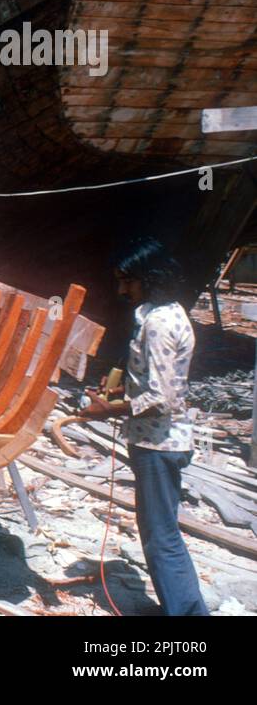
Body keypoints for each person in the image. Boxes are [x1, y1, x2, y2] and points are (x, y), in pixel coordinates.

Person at [82, 237, 209, 616]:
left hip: (160, 443)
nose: (122, 290)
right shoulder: (166, 312)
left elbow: (164, 398)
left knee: (161, 537)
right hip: (159, 441)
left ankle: (188, 614)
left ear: (149, 278)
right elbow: (159, 381)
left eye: (128, 281)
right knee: (159, 532)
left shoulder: (157, 322)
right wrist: (123, 388)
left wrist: (109, 409)